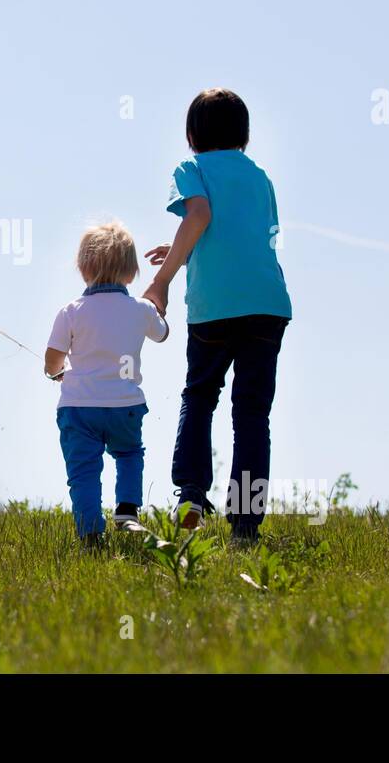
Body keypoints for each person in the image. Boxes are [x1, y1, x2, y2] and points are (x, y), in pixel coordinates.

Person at [142, 88, 292, 542]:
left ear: (191, 135)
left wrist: (162, 279)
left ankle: (190, 496)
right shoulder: (261, 178)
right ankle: (246, 523)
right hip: (267, 305)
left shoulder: (191, 169)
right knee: (252, 413)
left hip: (215, 309)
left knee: (200, 395)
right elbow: (247, 236)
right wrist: (186, 249)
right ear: (244, 136)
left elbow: (201, 215)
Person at [45, 222, 169, 546]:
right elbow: (162, 333)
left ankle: (90, 535)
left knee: (83, 472)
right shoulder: (140, 309)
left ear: (84, 268)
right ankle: (127, 510)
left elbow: (52, 358)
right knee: (129, 454)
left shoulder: (71, 312)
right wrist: (157, 308)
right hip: (124, 406)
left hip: (78, 408)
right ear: (131, 272)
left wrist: (55, 372)